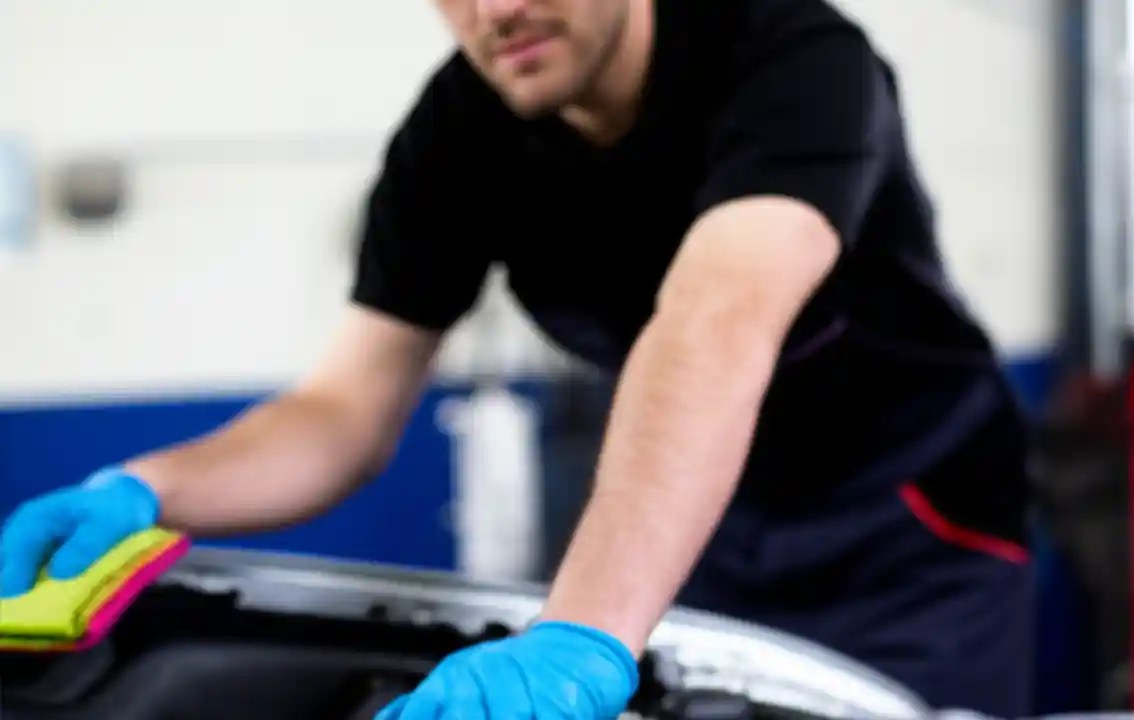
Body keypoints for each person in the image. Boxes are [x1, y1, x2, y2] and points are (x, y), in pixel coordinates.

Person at [0, 0, 1037, 717]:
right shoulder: (457, 134)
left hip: (908, 533)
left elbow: (713, 325)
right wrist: (143, 488)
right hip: (697, 529)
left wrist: (582, 636)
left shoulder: (792, 59)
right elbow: (343, 412)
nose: (496, 9)